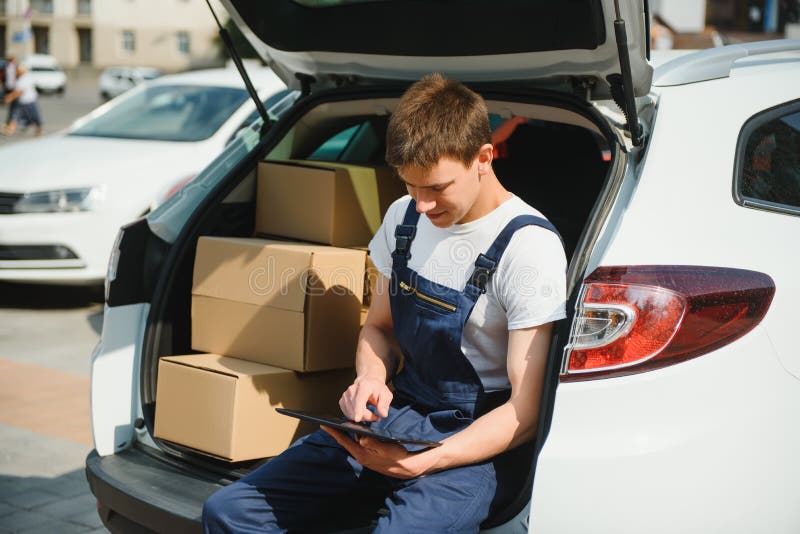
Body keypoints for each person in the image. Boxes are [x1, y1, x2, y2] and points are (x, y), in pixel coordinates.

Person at [202, 73, 567, 533]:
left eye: (436, 188)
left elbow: (526, 412)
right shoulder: (404, 218)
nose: (421, 205)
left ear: (483, 158)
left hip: (476, 442)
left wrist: (425, 462)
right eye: (410, 186)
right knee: (230, 513)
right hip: (397, 418)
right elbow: (379, 328)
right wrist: (371, 379)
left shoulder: (527, 247)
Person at [3, 64, 43, 137]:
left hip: (29, 101)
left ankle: (38, 130)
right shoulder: (20, 78)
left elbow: (19, 91)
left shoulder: (25, 79)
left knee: (35, 117)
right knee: (14, 116)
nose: (16, 72)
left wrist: (10, 97)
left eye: (18, 70)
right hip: (20, 102)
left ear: (22, 71)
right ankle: (10, 130)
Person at [3, 55, 18, 126]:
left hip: (14, 87)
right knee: (11, 105)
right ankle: (10, 121)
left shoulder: (16, 67)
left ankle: (11, 121)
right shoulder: (6, 66)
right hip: (7, 87)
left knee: (14, 106)